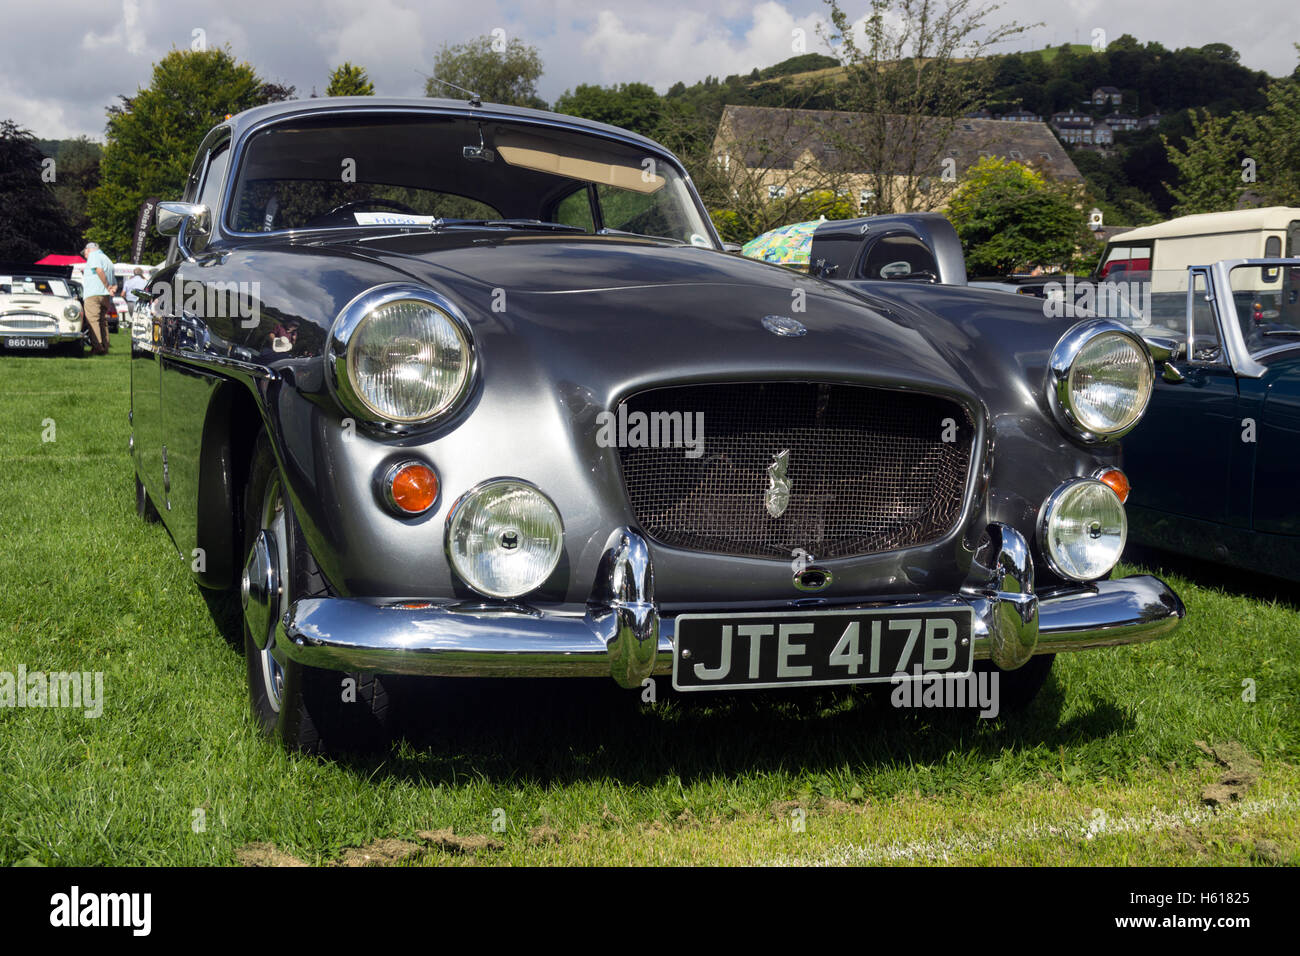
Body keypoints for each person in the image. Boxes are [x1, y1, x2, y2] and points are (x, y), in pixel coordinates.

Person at [81, 242, 117, 355]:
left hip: (93, 293)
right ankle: (105, 346)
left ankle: (97, 347)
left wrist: (107, 286)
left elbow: (99, 270)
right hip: (105, 295)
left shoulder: (93, 256)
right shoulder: (107, 259)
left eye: (85, 253)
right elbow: (114, 280)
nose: (85, 256)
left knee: (93, 321)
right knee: (102, 321)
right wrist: (111, 289)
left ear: (88, 250)